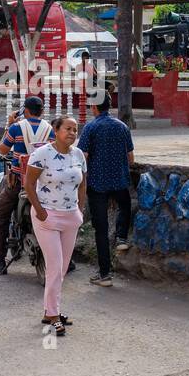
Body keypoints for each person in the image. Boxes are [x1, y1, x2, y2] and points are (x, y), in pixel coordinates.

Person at [25, 116, 86, 338]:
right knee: (55, 265)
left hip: (71, 217)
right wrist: (40, 211)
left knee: (62, 268)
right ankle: (53, 315)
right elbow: (29, 183)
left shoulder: (78, 154)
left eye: (75, 130)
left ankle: (49, 310)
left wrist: (80, 209)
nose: (72, 133)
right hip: (48, 217)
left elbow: (82, 183)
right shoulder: (41, 154)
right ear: (56, 130)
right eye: (67, 129)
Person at [0, 96, 52, 274]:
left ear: (26, 111)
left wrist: (9, 123)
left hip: (19, 182)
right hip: (43, 183)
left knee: (0, 216)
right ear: (41, 111)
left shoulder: (17, 127)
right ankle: (66, 261)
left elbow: (3, 149)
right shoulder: (50, 129)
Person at [76, 91, 134, 287]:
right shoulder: (122, 126)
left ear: (94, 107)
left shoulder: (90, 128)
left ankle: (105, 274)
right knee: (124, 206)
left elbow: (82, 156)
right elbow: (130, 158)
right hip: (120, 182)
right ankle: (121, 237)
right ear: (109, 105)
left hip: (97, 185)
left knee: (100, 230)